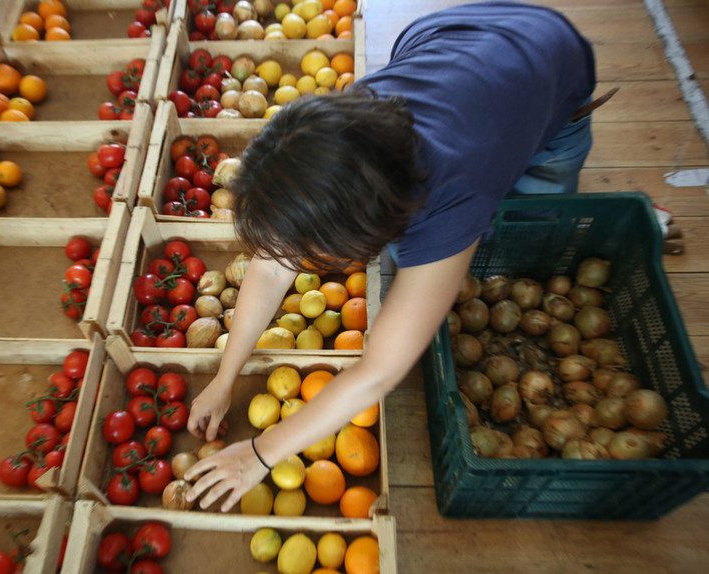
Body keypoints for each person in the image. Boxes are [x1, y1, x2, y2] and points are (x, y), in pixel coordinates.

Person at [183, 1, 600, 511]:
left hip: (552, 66)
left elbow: (380, 371)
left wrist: (259, 455)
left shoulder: (451, 198)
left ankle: (530, 176)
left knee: (532, 222)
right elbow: (272, 264)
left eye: (311, 253)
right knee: (431, 245)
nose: (295, 262)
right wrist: (226, 378)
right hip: (458, 38)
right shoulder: (344, 129)